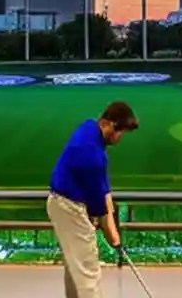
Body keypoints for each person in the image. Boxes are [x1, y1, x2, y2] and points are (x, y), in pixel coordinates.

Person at [48, 100, 140, 298]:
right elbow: (101, 214)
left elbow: (103, 190)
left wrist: (111, 222)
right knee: (88, 270)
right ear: (109, 124)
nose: (120, 138)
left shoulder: (89, 128)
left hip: (61, 202)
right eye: (120, 132)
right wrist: (115, 239)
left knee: (75, 268)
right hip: (69, 207)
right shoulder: (91, 156)